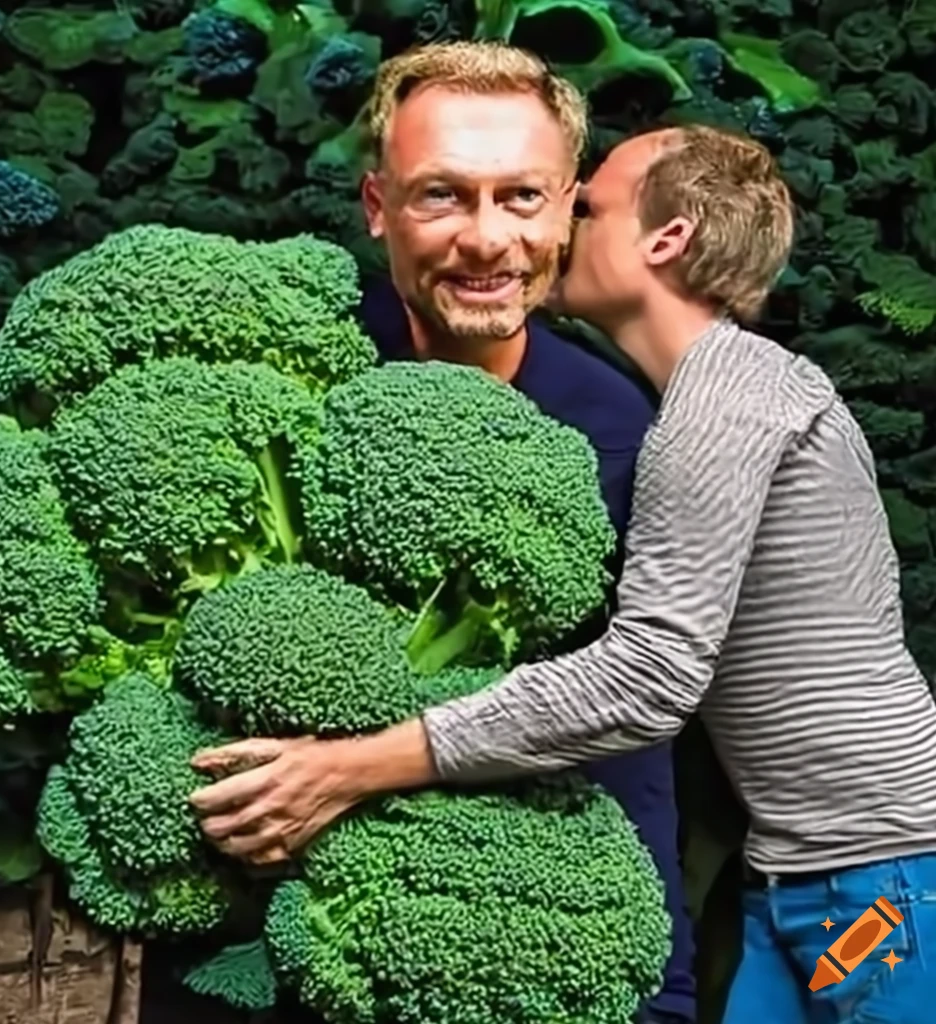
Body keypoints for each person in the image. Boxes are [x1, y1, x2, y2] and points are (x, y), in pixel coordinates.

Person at [191, 115, 936, 1022]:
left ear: (668, 239)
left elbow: (650, 679)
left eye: (588, 205)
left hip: (879, 878)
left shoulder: (722, 406)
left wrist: (353, 766)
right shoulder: (730, 391)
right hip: (803, 871)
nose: (556, 229)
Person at [206, 40, 696, 1024]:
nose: (485, 240)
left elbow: (621, 733)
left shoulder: (616, 432)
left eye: (521, 197)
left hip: (501, 900)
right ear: (378, 206)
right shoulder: (276, 373)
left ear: (566, 208)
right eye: (442, 195)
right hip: (249, 925)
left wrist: (657, 996)